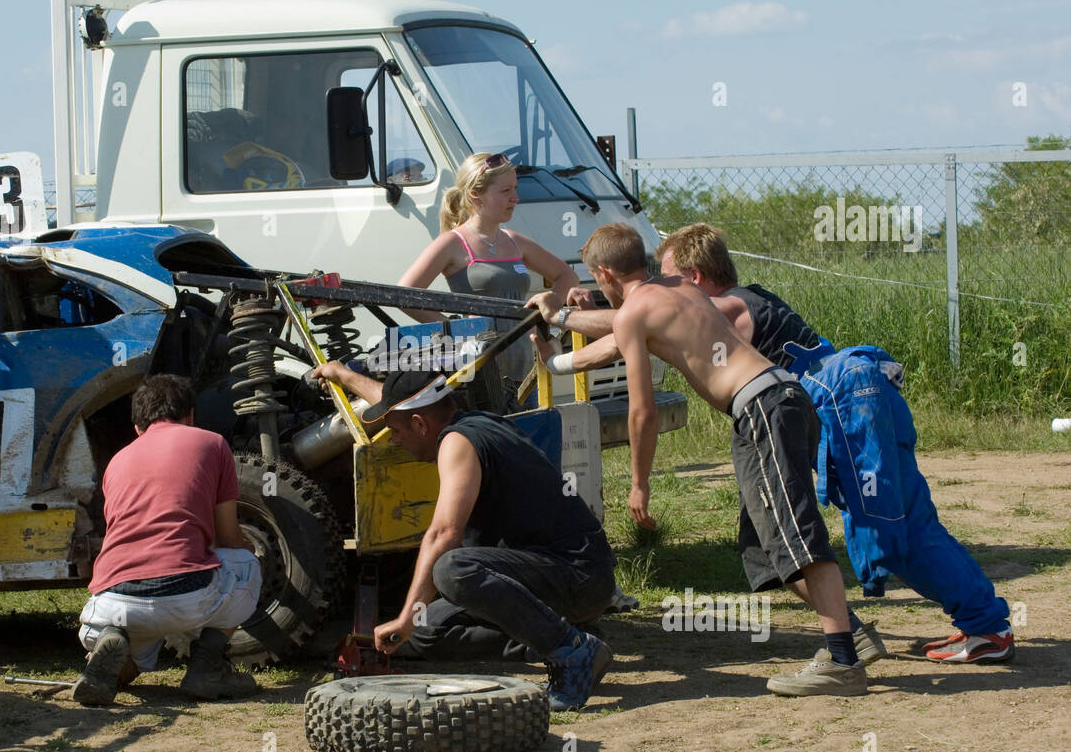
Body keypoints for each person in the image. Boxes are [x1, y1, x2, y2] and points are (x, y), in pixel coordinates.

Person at [654, 224, 1014, 664]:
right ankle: (984, 624)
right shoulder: (750, 297)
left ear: (693, 278)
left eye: (666, 279)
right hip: (864, 390)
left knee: (890, 531)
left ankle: (984, 629)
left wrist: (567, 316)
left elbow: (641, 327)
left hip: (843, 399)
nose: (658, 292)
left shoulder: (725, 306)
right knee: (908, 519)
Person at [577, 223, 865, 696]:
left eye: (596, 281)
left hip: (761, 409)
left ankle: (844, 662)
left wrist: (639, 482)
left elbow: (642, 411)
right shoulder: (677, 287)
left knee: (796, 533)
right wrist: (559, 337)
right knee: (766, 550)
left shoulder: (634, 313)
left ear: (604, 273)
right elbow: (611, 339)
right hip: (781, 397)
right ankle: (850, 633)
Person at [309, 362, 616, 709]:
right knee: (426, 631)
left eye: (395, 431)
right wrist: (342, 375)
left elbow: (444, 534)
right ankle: (573, 635)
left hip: (578, 576)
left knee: (451, 569)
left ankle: (572, 653)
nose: (393, 440)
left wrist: (405, 616)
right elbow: (398, 402)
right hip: (560, 574)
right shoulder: (471, 421)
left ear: (420, 424)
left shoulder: (457, 443)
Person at [74, 374, 262, 705]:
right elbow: (228, 536)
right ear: (190, 415)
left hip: (110, 603)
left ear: (137, 427)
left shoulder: (117, 462)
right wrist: (248, 546)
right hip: (184, 597)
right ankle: (206, 667)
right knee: (246, 565)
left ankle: (112, 652)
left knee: (137, 634)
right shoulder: (212, 443)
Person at [396, 151, 586, 385]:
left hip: (524, 365)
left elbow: (567, 276)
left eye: (515, 188)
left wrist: (545, 312)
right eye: (506, 191)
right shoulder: (452, 243)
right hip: (477, 369)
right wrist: (455, 330)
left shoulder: (514, 240)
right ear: (476, 196)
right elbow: (405, 293)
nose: (515, 198)